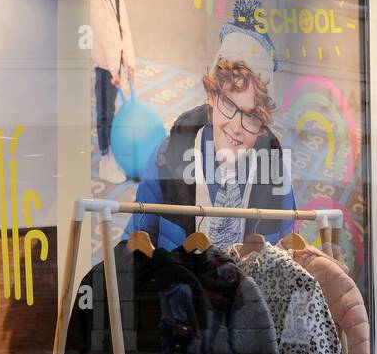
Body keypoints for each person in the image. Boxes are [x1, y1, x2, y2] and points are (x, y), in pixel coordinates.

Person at [127, 56, 296, 250]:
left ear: (262, 125)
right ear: (212, 97)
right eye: (229, 104)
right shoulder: (167, 156)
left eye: (251, 116)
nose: (236, 127)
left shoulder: (275, 173)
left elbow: (288, 251)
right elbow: (137, 239)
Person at [89, 0, 137, 185]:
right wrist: (111, 67)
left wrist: (129, 61)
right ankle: (106, 157)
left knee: (116, 110)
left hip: (117, 62)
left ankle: (115, 154)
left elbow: (124, 26)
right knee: (105, 111)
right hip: (103, 63)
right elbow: (104, 33)